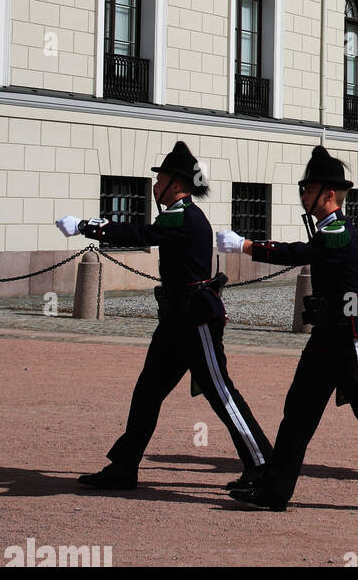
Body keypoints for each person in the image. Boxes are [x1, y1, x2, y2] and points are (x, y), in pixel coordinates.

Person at [220, 146, 358, 514]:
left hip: (349, 333)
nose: (303, 196)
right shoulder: (328, 229)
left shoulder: (336, 231)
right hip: (327, 333)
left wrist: (247, 246)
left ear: (329, 194)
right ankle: (275, 491)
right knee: (299, 410)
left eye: (309, 189)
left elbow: (301, 252)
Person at [55, 140, 270, 491]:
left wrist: (85, 226)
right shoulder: (179, 216)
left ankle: (262, 465)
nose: (156, 186)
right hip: (175, 321)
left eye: (162, 180)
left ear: (178, 185)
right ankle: (124, 466)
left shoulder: (182, 216)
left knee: (220, 392)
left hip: (195, 320)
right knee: (147, 393)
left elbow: (139, 233)